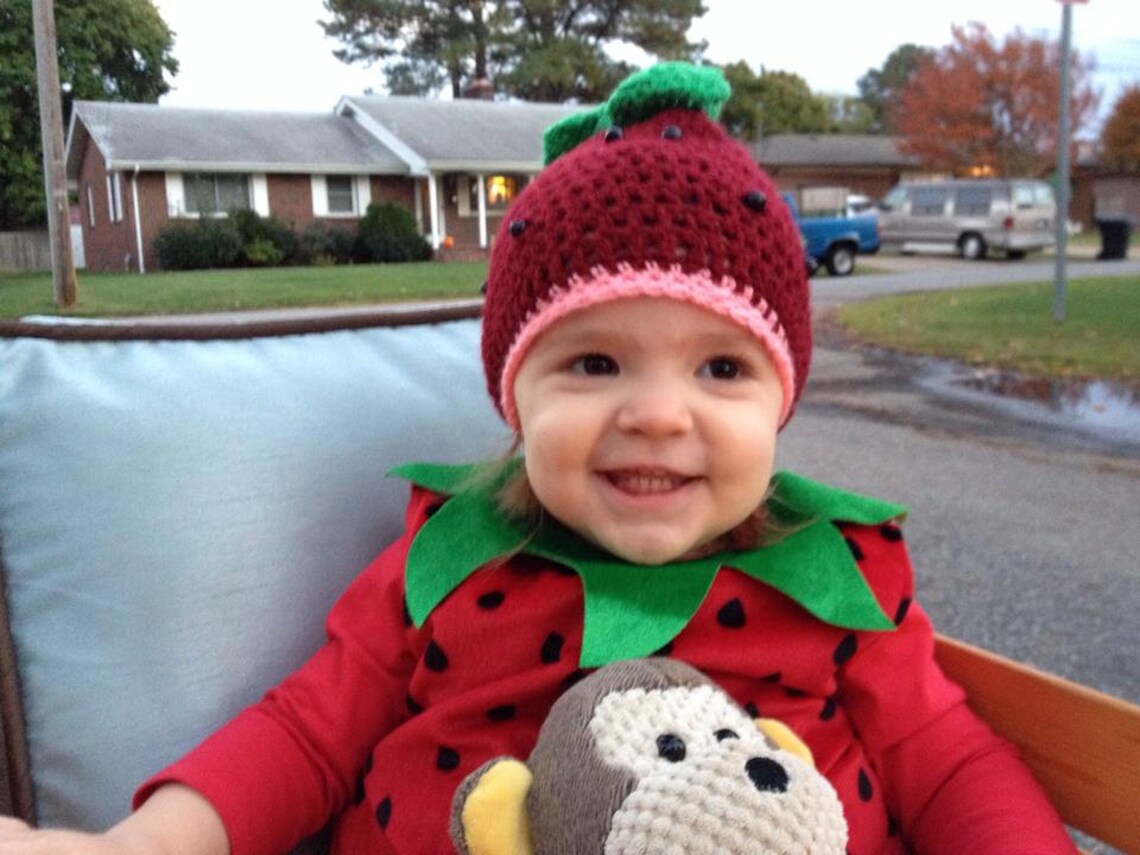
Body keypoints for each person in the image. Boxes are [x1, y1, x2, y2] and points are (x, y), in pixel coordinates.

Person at [0, 63, 1076, 855]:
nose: (658, 416)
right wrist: (132, 847)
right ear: (514, 396)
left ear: (784, 397)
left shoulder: (840, 570)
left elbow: (948, 762)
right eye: (596, 362)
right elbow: (307, 737)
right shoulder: (451, 556)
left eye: (720, 371)